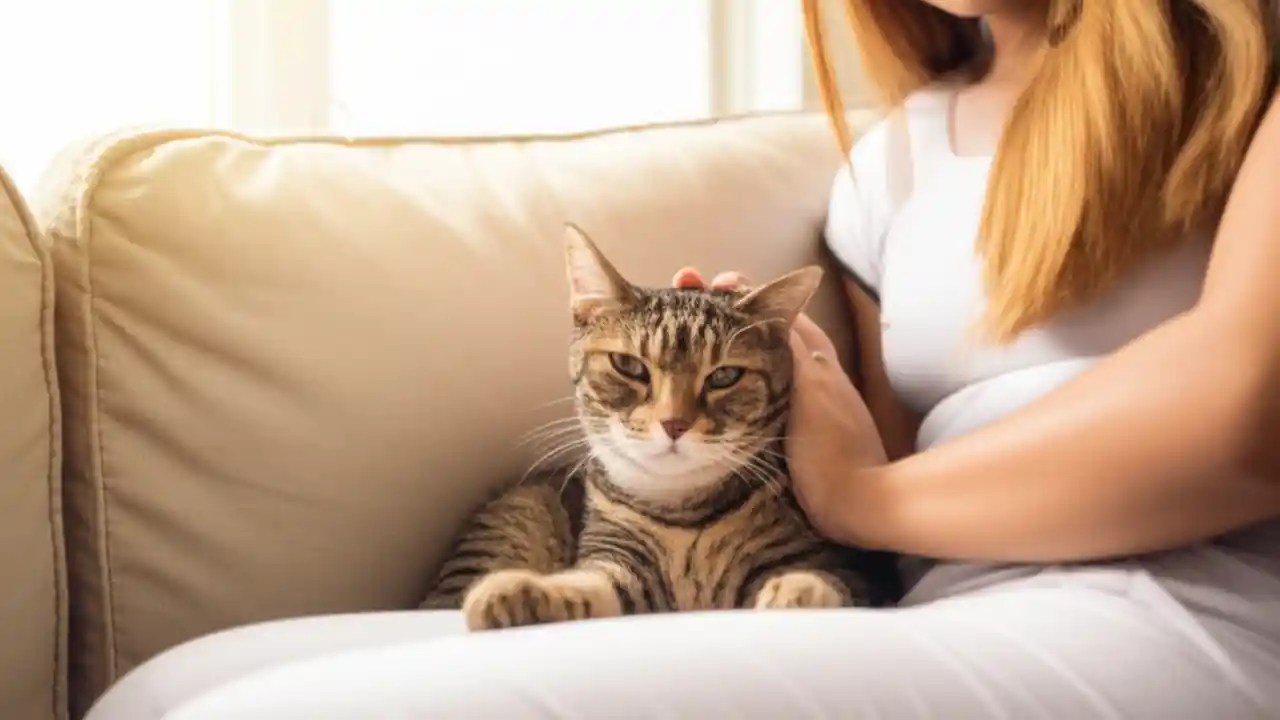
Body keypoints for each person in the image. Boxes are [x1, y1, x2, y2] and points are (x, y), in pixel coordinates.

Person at [92, 2, 1280, 718]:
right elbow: (881, 487)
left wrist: (861, 496)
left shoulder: (1253, 78)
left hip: (1184, 615)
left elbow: (1245, 418)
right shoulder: (887, 165)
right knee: (171, 690)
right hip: (937, 612)